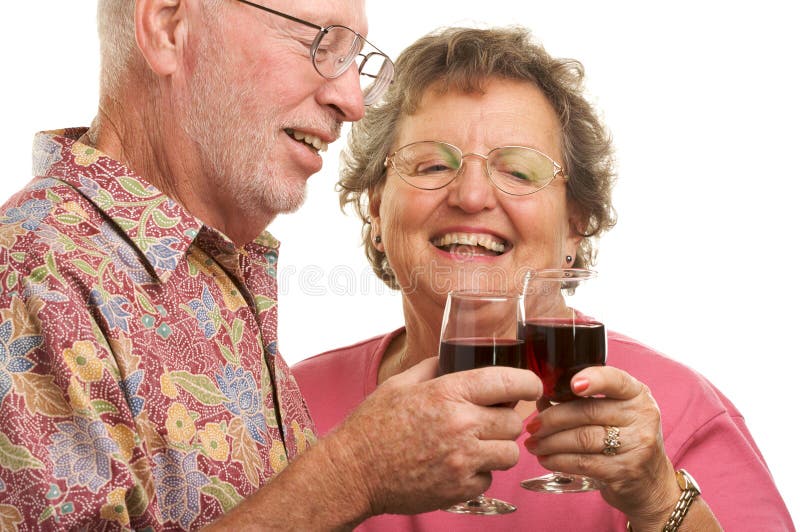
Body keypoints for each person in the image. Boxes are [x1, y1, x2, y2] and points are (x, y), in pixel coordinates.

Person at [0, 2, 543, 529]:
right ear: (167, 28)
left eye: (354, 58)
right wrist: (353, 474)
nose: (353, 101)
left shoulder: (209, 271)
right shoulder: (30, 277)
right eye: (318, 42)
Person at [292, 26, 795, 531]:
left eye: (519, 172)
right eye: (429, 165)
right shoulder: (291, 401)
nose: (471, 197)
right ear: (376, 209)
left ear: (576, 225)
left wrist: (660, 499)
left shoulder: (680, 411)